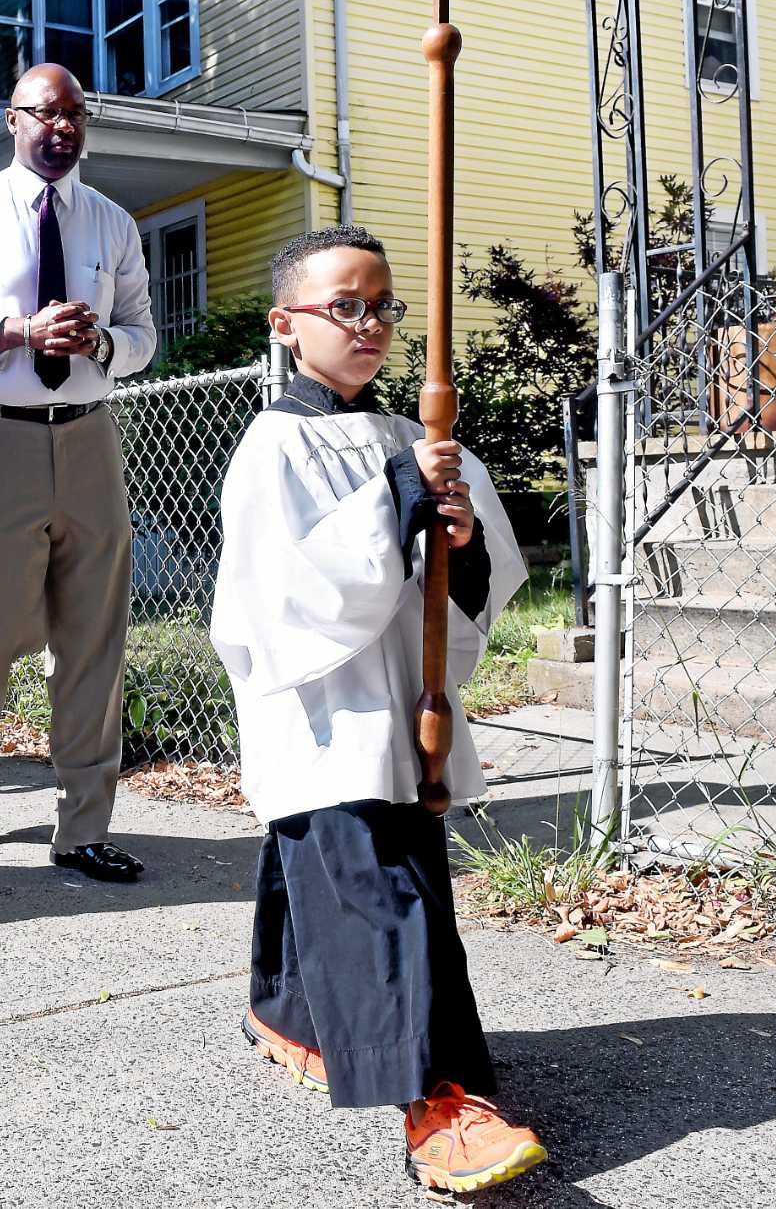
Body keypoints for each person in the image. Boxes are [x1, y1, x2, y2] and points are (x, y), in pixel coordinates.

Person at [208, 226, 544, 1197]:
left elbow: (476, 584)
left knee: (338, 878)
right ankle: (437, 1100)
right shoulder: (269, 447)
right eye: (343, 306)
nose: (368, 324)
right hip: (323, 722)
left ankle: (286, 1012)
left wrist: (462, 538)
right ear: (286, 324)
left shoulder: (414, 438)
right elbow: (290, 599)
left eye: (383, 306)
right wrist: (396, 500)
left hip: (398, 705)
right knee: (378, 900)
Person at [0, 62, 155, 882]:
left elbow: (144, 330)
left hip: (89, 435)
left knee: (93, 640)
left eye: (75, 114)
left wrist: (104, 345)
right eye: (45, 113)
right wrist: (15, 331)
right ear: (13, 121)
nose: (62, 127)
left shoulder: (112, 222)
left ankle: (82, 827)